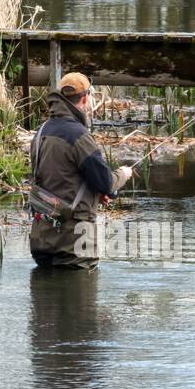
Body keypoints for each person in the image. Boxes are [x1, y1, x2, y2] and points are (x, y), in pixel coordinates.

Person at [28, 72, 132, 269]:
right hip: (74, 245)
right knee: (81, 299)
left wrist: (94, 194)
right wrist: (123, 175)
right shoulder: (79, 136)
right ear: (85, 99)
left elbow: (55, 179)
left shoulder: (41, 132)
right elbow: (106, 183)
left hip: (41, 241)